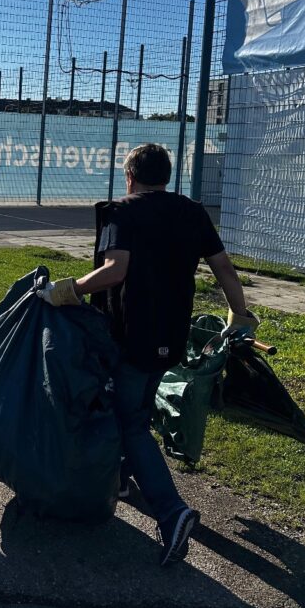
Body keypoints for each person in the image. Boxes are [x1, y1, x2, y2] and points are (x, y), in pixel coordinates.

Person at [39, 143, 257, 566]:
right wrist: (239, 314)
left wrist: (66, 290)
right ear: (167, 176)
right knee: (134, 406)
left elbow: (115, 270)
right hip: (171, 336)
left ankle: (172, 513)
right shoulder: (193, 212)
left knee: (130, 423)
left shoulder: (122, 211)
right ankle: (121, 479)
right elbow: (223, 268)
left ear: (130, 176)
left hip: (129, 334)